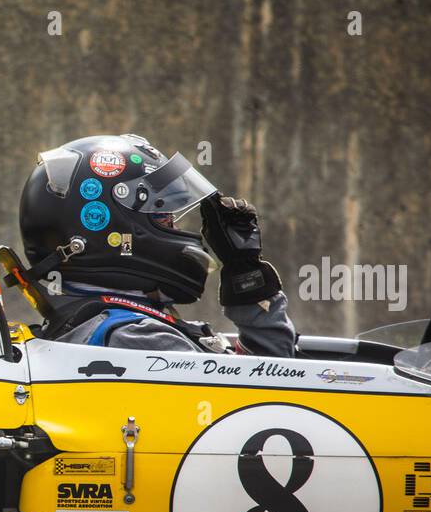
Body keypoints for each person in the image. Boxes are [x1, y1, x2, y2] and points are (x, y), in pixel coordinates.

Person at [16, 134, 296, 357]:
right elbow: (271, 396)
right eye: (163, 217)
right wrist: (246, 276)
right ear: (114, 225)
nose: (174, 228)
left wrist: (244, 274)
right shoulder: (138, 338)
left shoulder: (97, 324)